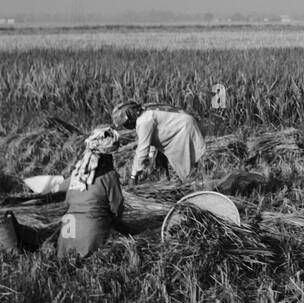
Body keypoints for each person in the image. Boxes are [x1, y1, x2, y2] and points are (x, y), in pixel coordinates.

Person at [57, 125, 125, 259]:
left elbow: (67, 203)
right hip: (91, 232)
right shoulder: (109, 176)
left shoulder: (77, 175)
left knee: (67, 269)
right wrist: (118, 224)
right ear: (107, 157)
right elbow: (116, 206)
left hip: (66, 236)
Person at [111, 98, 206, 184]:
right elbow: (154, 137)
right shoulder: (145, 110)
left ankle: (195, 186)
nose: (126, 127)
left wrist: (133, 175)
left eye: (125, 124)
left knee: (186, 168)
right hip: (184, 123)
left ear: (130, 117)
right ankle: (169, 180)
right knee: (161, 160)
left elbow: (142, 149)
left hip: (182, 130)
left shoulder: (144, 121)